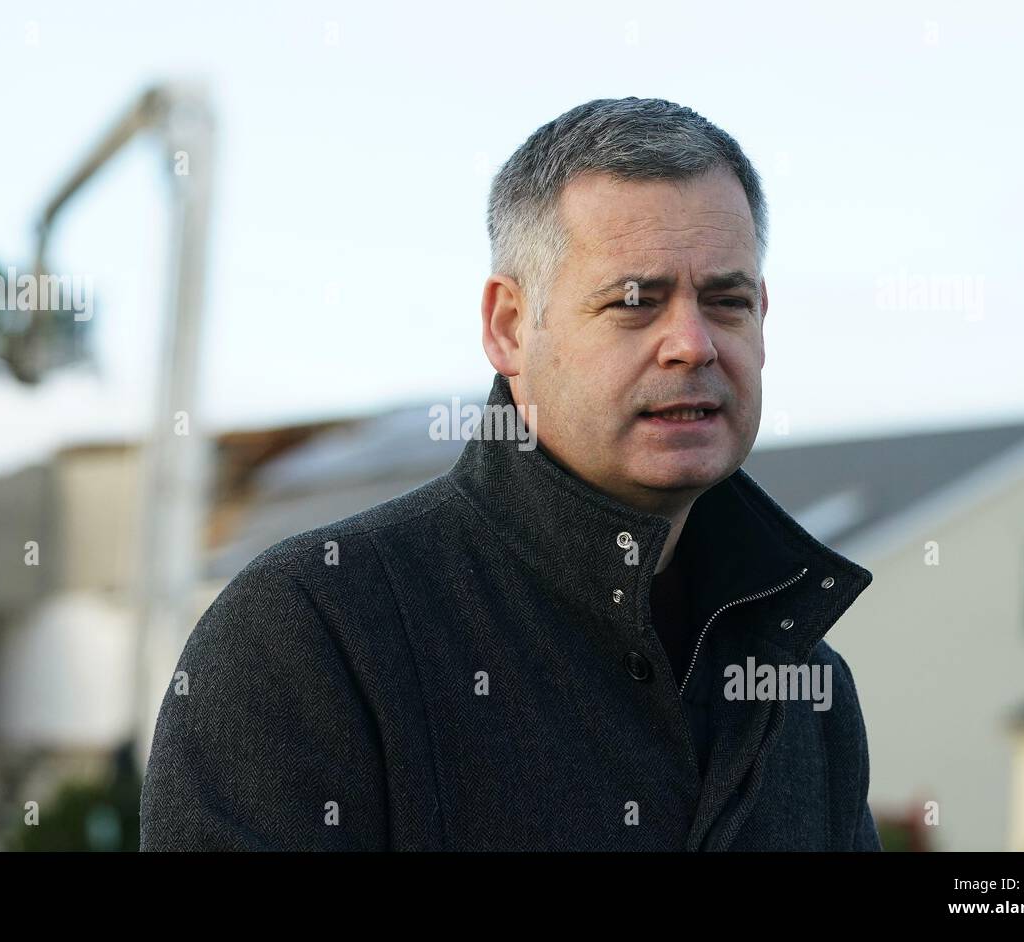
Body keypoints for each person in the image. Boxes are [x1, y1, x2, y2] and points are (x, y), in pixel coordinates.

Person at [140, 97, 881, 851]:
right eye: (634, 302)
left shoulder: (805, 695)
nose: (691, 343)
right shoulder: (314, 633)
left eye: (727, 301)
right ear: (507, 327)